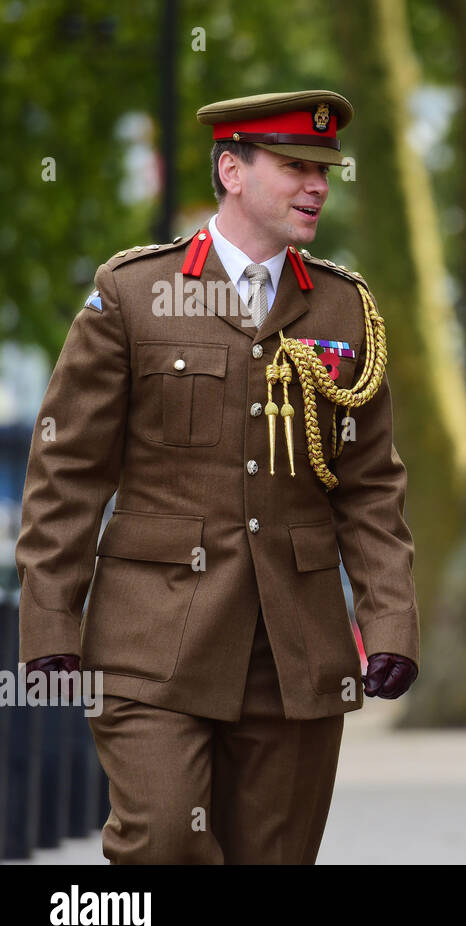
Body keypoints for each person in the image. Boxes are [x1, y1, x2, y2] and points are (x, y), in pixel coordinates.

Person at [14, 90, 419, 864]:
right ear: (232, 169)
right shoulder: (133, 293)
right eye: (296, 166)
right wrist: (49, 622)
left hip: (296, 648)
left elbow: (370, 486)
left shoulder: (344, 310)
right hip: (152, 638)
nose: (317, 185)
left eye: (324, 169)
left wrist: (391, 619)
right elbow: (67, 468)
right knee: (161, 839)